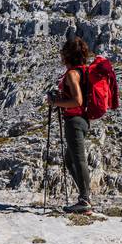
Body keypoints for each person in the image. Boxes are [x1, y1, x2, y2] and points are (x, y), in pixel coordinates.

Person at [47, 27, 93, 213]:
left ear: (68, 55)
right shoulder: (84, 71)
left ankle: (84, 200)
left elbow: (77, 100)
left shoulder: (72, 74)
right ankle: (84, 196)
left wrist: (55, 101)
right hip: (83, 119)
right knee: (70, 159)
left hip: (74, 120)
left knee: (78, 159)